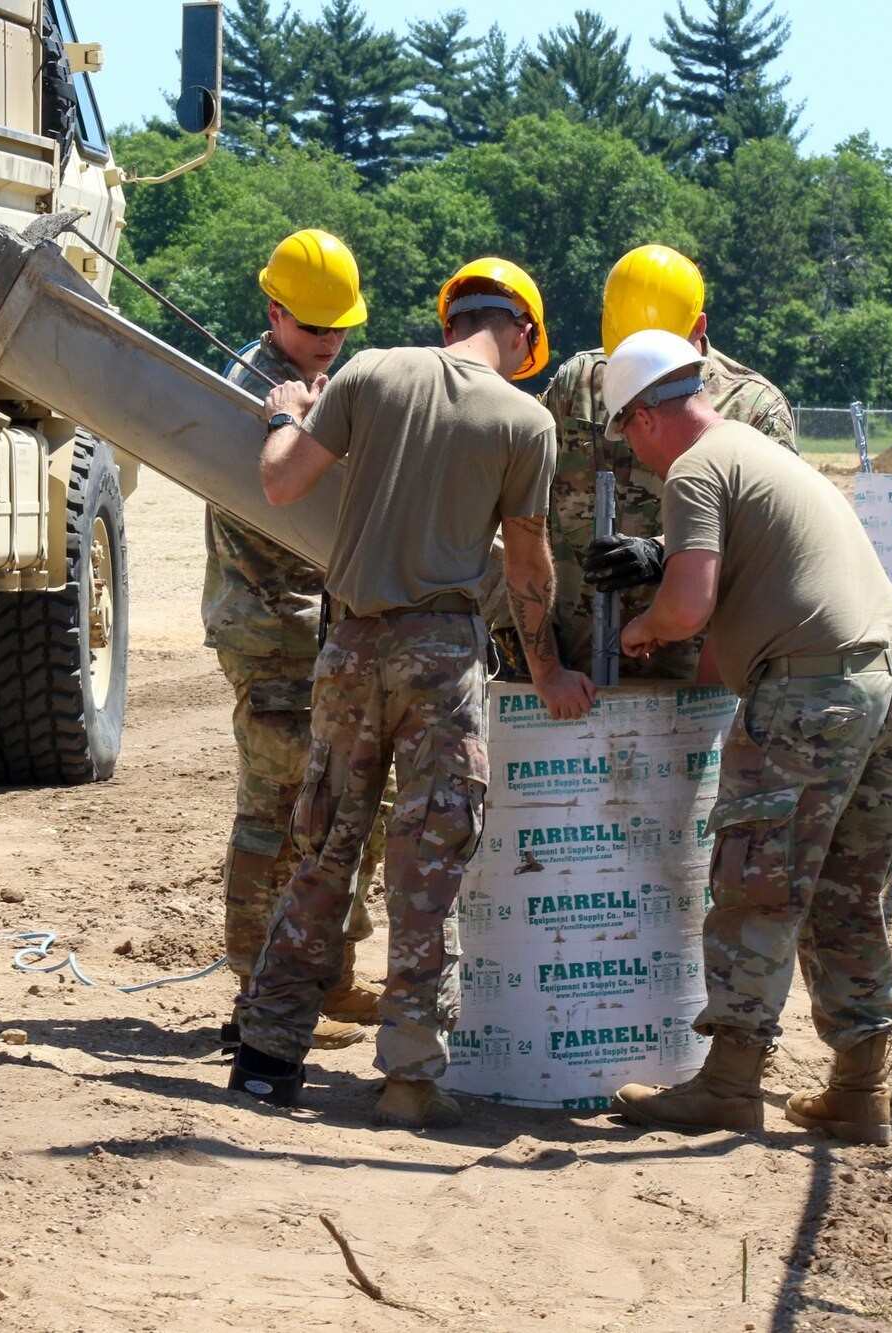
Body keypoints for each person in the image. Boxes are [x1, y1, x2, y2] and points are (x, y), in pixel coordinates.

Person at [231, 258, 596, 1128]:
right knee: (427, 867)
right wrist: (545, 669)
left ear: (448, 320)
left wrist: (286, 415)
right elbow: (527, 561)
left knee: (324, 849)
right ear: (523, 336)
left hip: (350, 646)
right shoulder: (524, 419)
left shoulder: (369, 372)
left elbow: (281, 481)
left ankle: (266, 1061)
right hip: (444, 656)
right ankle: (406, 1078)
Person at [603, 331, 892, 1145]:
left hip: (812, 694)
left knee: (758, 880)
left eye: (626, 436)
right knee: (845, 893)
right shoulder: (759, 452)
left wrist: (640, 630)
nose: (635, 457)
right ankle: (861, 1086)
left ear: (643, 417)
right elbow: (743, 620)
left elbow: (688, 607)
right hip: (888, 688)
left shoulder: (696, 468)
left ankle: (730, 1083)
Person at [205, 229, 378, 1053]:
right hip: (273, 630)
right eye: (316, 329)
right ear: (274, 312)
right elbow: (284, 506)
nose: (331, 342)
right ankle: (252, 991)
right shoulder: (255, 390)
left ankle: (329, 974)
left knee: (341, 810)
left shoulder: (316, 380)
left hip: (320, 631)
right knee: (274, 812)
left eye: (342, 329)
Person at [538, 244, 796, 681]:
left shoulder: (753, 407)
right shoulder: (578, 383)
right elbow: (525, 499)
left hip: (692, 671)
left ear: (699, 328)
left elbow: (768, 542)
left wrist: (661, 549)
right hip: (573, 666)